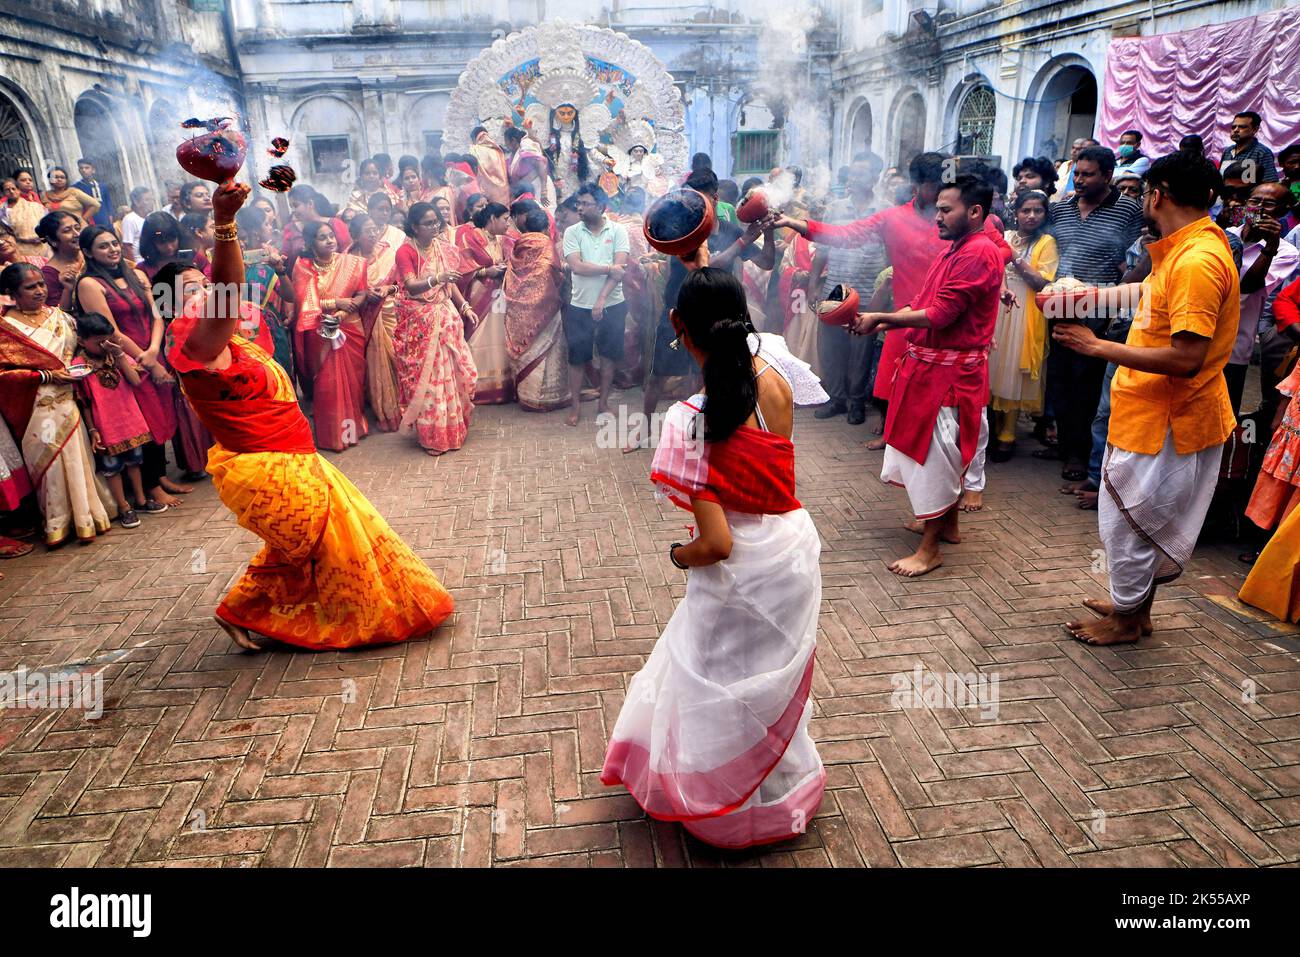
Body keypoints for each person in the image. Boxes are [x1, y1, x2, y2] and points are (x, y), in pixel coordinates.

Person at [166, 181, 454, 651]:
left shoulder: (226, 340)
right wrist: (224, 224)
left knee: (323, 541)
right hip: (268, 468)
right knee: (315, 541)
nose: (203, 294)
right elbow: (228, 288)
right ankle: (250, 608)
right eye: (191, 292)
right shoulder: (197, 346)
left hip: (297, 455)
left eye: (202, 285)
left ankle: (245, 609)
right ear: (174, 306)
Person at [600, 267, 827, 849]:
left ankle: (720, 808)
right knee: (763, 678)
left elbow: (716, 544)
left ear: (678, 325)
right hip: (790, 548)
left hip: (737, 568)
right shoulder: (777, 370)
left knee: (716, 676)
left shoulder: (687, 420)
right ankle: (778, 795)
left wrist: (679, 554)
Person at [1053, 151, 1238, 645]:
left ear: (1158, 195)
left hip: (1169, 418)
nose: (1138, 201)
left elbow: (1186, 357)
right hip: (1153, 412)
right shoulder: (1186, 247)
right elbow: (1144, 298)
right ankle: (1131, 604)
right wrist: (1082, 297)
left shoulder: (1198, 260)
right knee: (1141, 519)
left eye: (1142, 193)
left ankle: (1128, 621)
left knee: (1132, 523)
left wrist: (1096, 346)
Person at [773, 152, 1008, 452]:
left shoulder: (967, 225)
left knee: (953, 402)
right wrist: (794, 223)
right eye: (937, 186)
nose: (943, 197)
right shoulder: (896, 218)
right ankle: (896, 438)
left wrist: (977, 274)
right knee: (893, 384)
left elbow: (1001, 251)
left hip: (955, 322)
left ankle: (959, 464)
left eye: (948, 188)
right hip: (907, 316)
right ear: (918, 186)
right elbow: (845, 235)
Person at [850, 174, 1003, 577]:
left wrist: (883, 317)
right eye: (937, 209)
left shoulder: (977, 253)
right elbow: (922, 303)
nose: (936, 216)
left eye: (945, 209)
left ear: (974, 212)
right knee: (940, 455)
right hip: (930, 370)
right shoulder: (955, 249)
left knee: (936, 459)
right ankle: (947, 525)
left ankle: (929, 549)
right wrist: (883, 322)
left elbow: (941, 315)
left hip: (948, 378)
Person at [627, 170, 775, 452]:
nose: (693, 205)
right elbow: (706, 265)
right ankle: (643, 432)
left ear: (715, 199)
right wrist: (743, 241)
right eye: (690, 199)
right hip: (680, 310)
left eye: (700, 199)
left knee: (706, 376)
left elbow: (767, 262)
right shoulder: (686, 229)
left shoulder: (731, 231)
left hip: (717, 314)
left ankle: (701, 432)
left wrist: (767, 233)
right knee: (658, 374)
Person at [1046, 146, 1144, 484]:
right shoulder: (1061, 208)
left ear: (1107, 175)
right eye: (1077, 173)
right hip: (1059, 302)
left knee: (1087, 381)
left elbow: (1133, 262)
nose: (1080, 179)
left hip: (1101, 306)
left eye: (1088, 174)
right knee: (1058, 378)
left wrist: (1117, 303)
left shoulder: (1128, 210)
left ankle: (1082, 452)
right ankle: (1066, 445)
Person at [0, 263, 115, 544]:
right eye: (30, 287)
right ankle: (56, 523)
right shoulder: (6, 328)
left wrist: (84, 367)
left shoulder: (61, 318)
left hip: (68, 400)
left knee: (78, 458)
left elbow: (77, 351)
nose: (40, 291)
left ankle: (88, 517)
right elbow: (2, 374)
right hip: (34, 407)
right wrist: (46, 375)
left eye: (41, 284)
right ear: (11, 293)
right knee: (48, 465)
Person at [74, 225, 187, 508]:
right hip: (127, 359)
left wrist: (154, 351)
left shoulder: (135, 273)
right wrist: (144, 359)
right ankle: (150, 485)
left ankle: (159, 476)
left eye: (114, 243)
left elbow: (156, 314)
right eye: (103, 246)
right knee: (145, 418)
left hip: (152, 349)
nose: (112, 249)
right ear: (88, 252)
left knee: (162, 412)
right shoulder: (89, 284)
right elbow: (109, 330)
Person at [393, 202, 477, 456]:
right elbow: (410, 286)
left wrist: (464, 307)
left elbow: (450, 286)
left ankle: (453, 429)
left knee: (452, 373)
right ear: (415, 227)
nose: (435, 227)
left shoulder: (442, 249)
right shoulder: (405, 251)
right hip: (420, 321)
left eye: (436, 222)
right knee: (429, 381)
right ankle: (433, 436)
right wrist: (436, 279)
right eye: (428, 223)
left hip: (445, 318)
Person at [811, 155, 887, 425]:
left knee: (860, 352)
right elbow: (822, 249)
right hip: (835, 292)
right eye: (851, 174)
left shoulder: (885, 211)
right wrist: (813, 286)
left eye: (861, 175)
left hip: (868, 295)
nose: (853, 180)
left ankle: (856, 402)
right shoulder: (835, 209)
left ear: (875, 179)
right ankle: (836, 399)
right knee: (831, 349)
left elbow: (892, 255)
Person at [73, 311, 165, 527]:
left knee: (134, 462)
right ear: (81, 341)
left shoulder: (117, 356)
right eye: (98, 342)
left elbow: (135, 380)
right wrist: (93, 430)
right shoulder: (80, 366)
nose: (104, 345)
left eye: (107, 339)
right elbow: (84, 401)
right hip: (105, 426)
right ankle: (124, 506)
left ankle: (141, 500)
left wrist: (121, 355)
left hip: (130, 421)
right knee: (112, 468)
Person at [989, 189, 1058, 461]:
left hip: (1025, 311)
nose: (1031, 216)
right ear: (1015, 212)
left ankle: (1007, 435)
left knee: (1013, 373)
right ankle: (992, 431)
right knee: (993, 370)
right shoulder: (1004, 236)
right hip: (998, 309)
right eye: (1025, 210)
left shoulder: (1046, 243)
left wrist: (1014, 256)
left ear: (1044, 214)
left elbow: (1041, 282)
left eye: (1037, 211)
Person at [292, 221, 369, 452]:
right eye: (322, 237)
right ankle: (334, 437)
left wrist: (343, 311)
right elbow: (304, 302)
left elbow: (362, 292)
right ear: (310, 243)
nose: (329, 240)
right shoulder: (303, 267)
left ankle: (354, 431)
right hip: (320, 330)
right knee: (327, 385)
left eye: (331, 235)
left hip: (350, 325)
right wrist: (335, 303)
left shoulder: (353, 263)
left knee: (353, 383)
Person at [1224, 182, 1299, 414]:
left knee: (1224, 417)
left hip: (1234, 346)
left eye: (1268, 204)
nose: (1259, 209)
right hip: (1199, 338)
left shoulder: (1286, 252)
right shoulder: (1223, 236)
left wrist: (1270, 246)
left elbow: (1248, 286)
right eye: (1254, 201)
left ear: (1283, 211)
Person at [561, 183, 629, 427]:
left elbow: (619, 271)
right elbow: (577, 266)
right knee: (577, 357)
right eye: (578, 203)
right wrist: (608, 268)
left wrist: (601, 299)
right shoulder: (572, 232)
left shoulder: (618, 231)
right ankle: (576, 408)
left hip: (612, 303)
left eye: (585, 203)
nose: (579, 208)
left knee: (609, 355)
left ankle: (603, 404)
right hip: (579, 304)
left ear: (601, 206)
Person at [503, 208, 570, 412]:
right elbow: (553, 271)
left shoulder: (518, 245)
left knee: (531, 349)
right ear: (546, 227)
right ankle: (549, 398)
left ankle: (527, 397)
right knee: (549, 350)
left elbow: (515, 272)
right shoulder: (546, 245)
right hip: (546, 306)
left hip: (519, 306)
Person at [348, 213, 403, 432]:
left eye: (374, 229)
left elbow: (402, 284)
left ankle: (404, 405)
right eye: (366, 231)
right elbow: (345, 290)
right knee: (374, 362)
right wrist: (363, 294)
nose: (372, 234)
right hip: (365, 316)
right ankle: (384, 409)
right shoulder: (349, 259)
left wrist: (388, 289)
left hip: (392, 311)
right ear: (355, 236)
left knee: (397, 357)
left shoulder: (389, 252)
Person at [456, 201, 515, 404]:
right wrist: (484, 271)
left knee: (498, 340)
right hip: (478, 295)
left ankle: (501, 388)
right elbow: (460, 268)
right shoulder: (470, 237)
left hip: (498, 297)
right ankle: (477, 389)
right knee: (478, 339)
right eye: (505, 219)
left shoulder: (504, 240)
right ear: (492, 219)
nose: (509, 224)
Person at [236, 205, 296, 378]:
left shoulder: (269, 258)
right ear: (256, 231)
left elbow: (289, 296)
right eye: (266, 225)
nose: (270, 228)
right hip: (240, 329)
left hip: (268, 328)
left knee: (277, 374)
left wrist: (280, 270)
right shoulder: (228, 259)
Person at [35, 211, 83, 310]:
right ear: (52, 240)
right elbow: (59, 315)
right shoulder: (49, 275)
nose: (77, 234)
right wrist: (67, 290)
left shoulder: (91, 254)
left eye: (77, 228)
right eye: (67, 231)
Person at [2, 175, 50, 263]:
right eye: (7, 190)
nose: (11, 192)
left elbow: (49, 226)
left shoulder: (36, 207)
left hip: (42, 249)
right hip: (19, 252)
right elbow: (4, 235)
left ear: (19, 190)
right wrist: (24, 239)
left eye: (14, 188)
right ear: (3, 193)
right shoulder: (2, 212)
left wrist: (44, 237)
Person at [1222, 111, 1279, 184]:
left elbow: (1270, 182)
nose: (1236, 130)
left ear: (1254, 129)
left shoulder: (1262, 152)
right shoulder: (1227, 151)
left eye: (1242, 127)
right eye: (1233, 127)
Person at [468, 126, 511, 206]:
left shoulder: (473, 149)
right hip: (503, 190)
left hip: (485, 190)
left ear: (474, 138)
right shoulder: (498, 150)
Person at [1053, 137, 1098, 202]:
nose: (1074, 151)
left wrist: (1073, 193)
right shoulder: (1065, 164)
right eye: (1073, 148)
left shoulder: (1092, 168)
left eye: (1079, 149)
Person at [71, 159, 113, 228]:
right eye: (81, 168)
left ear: (93, 170)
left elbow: (108, 204)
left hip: (105, 221)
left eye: (87, 168)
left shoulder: (103, 186)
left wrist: (110, 220)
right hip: (89, 222)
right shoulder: (75, 188)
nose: (84, 170)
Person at [119, 187, 155, 262]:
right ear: (136, 202)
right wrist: (135, 267)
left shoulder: (150, 218)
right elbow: (127, 247)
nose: (152, 202)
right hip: (140, 263)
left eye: (152, 199)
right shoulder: (129, 219)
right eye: (147, 200)